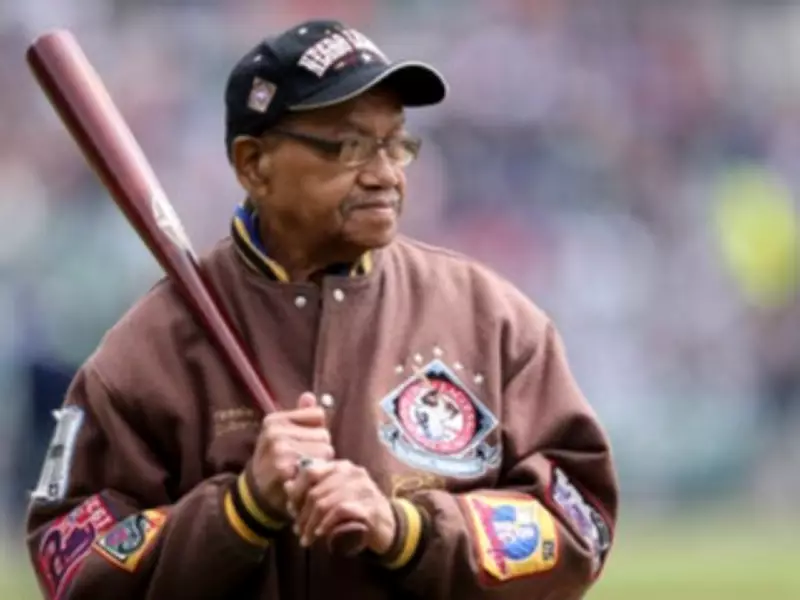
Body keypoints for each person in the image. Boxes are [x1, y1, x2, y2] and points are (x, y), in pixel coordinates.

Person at [25, 18, 619, 600]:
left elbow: (578, 523)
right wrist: (240, 510)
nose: (386, 175)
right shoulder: (144, 355)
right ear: (254, 164)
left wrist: (407, 531)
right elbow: (73, 567)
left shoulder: (493, 323)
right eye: (351, 146)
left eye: (397, 144)